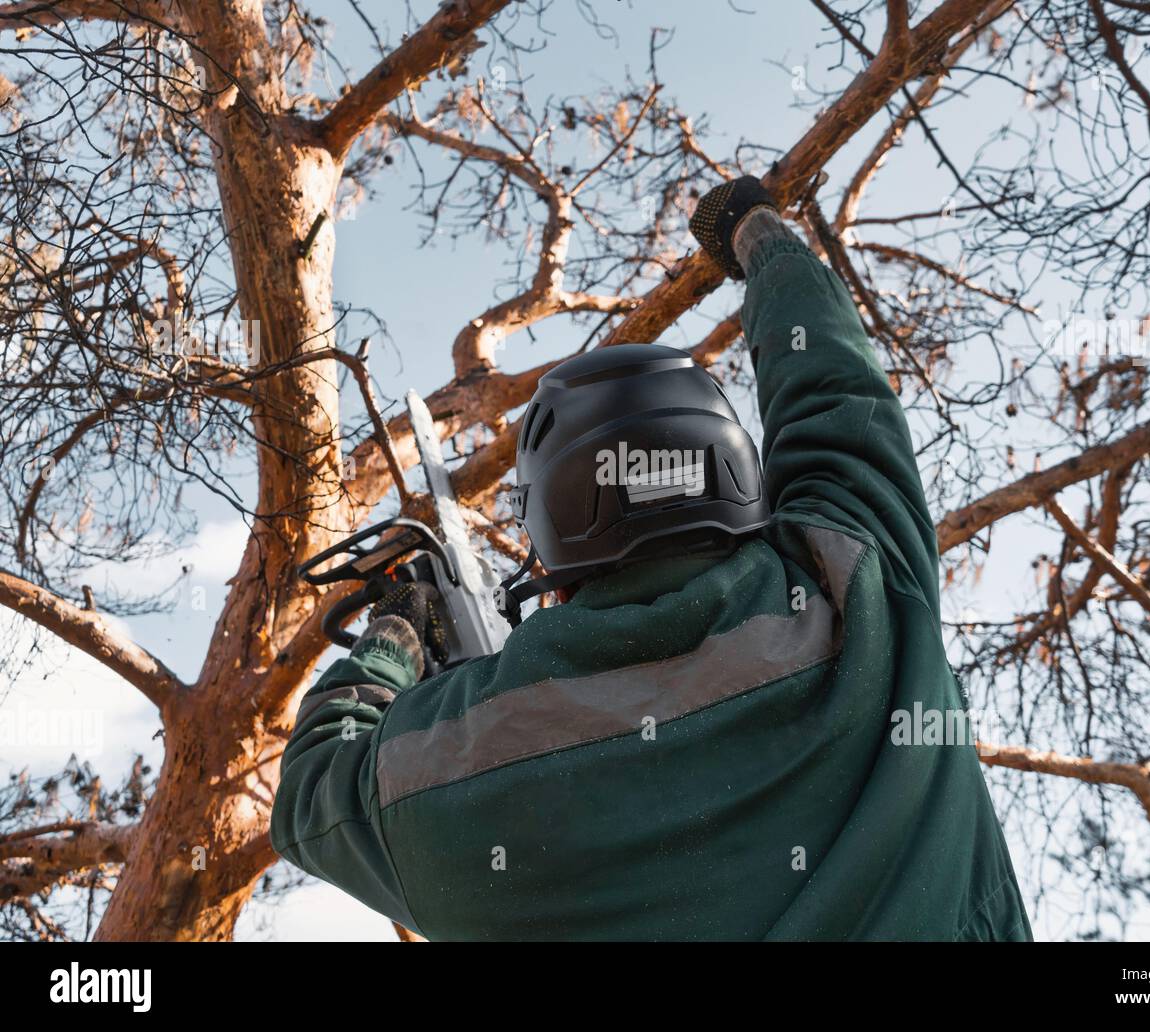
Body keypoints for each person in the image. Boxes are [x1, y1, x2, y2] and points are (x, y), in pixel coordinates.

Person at [270, 177, 1032, 941]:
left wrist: (394, 637)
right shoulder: (856, 584)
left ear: (553, 542)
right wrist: (756, 233)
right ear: (736, 475)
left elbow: (309, 794)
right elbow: (833, 388)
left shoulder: (452, 767)